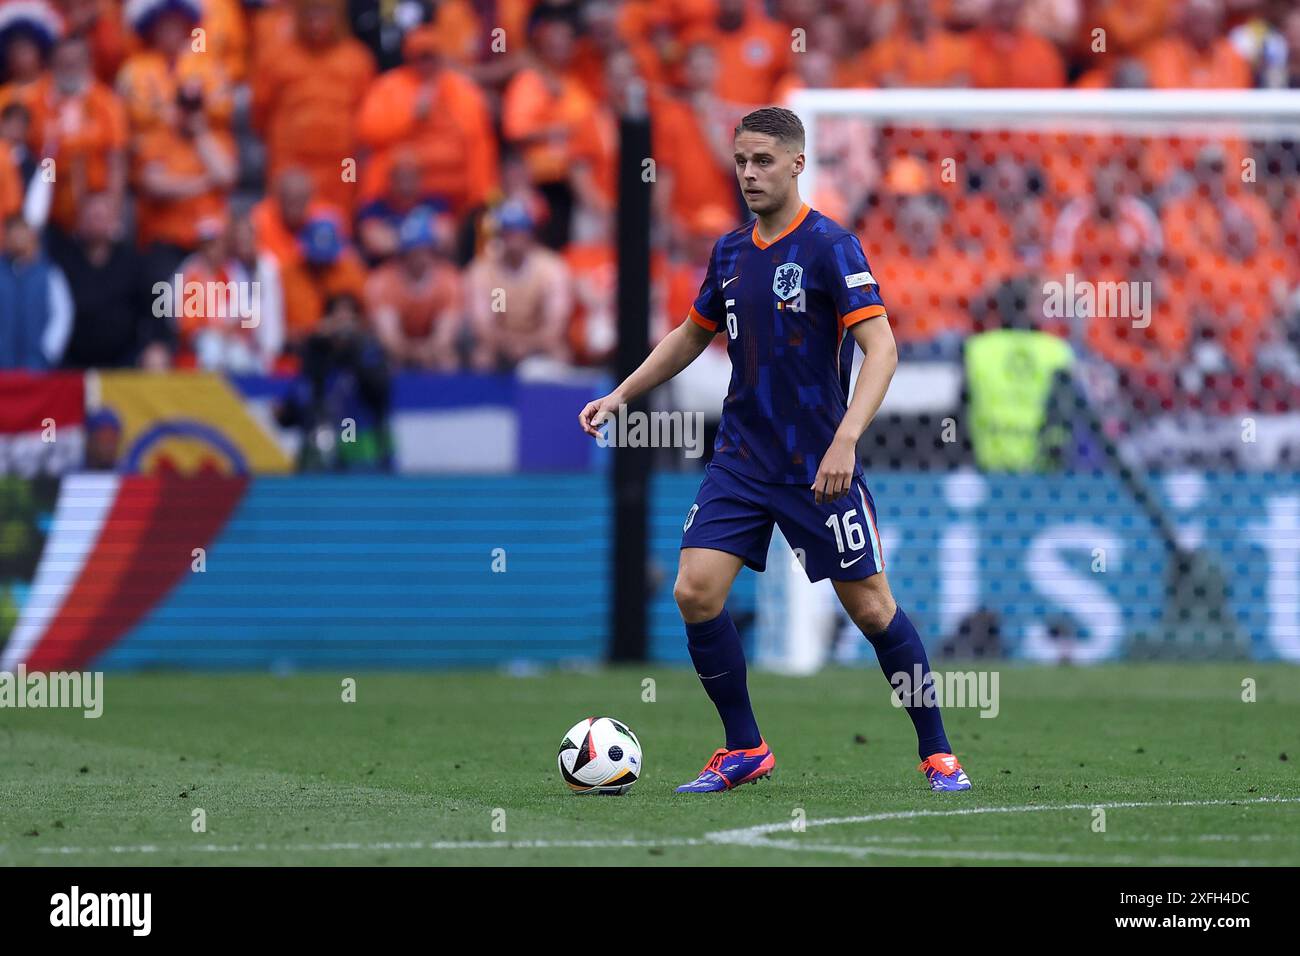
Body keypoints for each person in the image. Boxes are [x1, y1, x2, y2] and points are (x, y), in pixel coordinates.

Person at [578, 107, 972, 794]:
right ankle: (744, 748)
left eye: (763, 161)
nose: (749, 174)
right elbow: (692, 333)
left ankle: (939, 752)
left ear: (796, 163)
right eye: (740, 162)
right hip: (742, 458)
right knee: (694, 592)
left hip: (820, 464)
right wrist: (623, 394)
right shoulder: (730, 252)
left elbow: (882, 348)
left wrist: (846, 439)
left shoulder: (830, 246)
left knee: (874, 610)